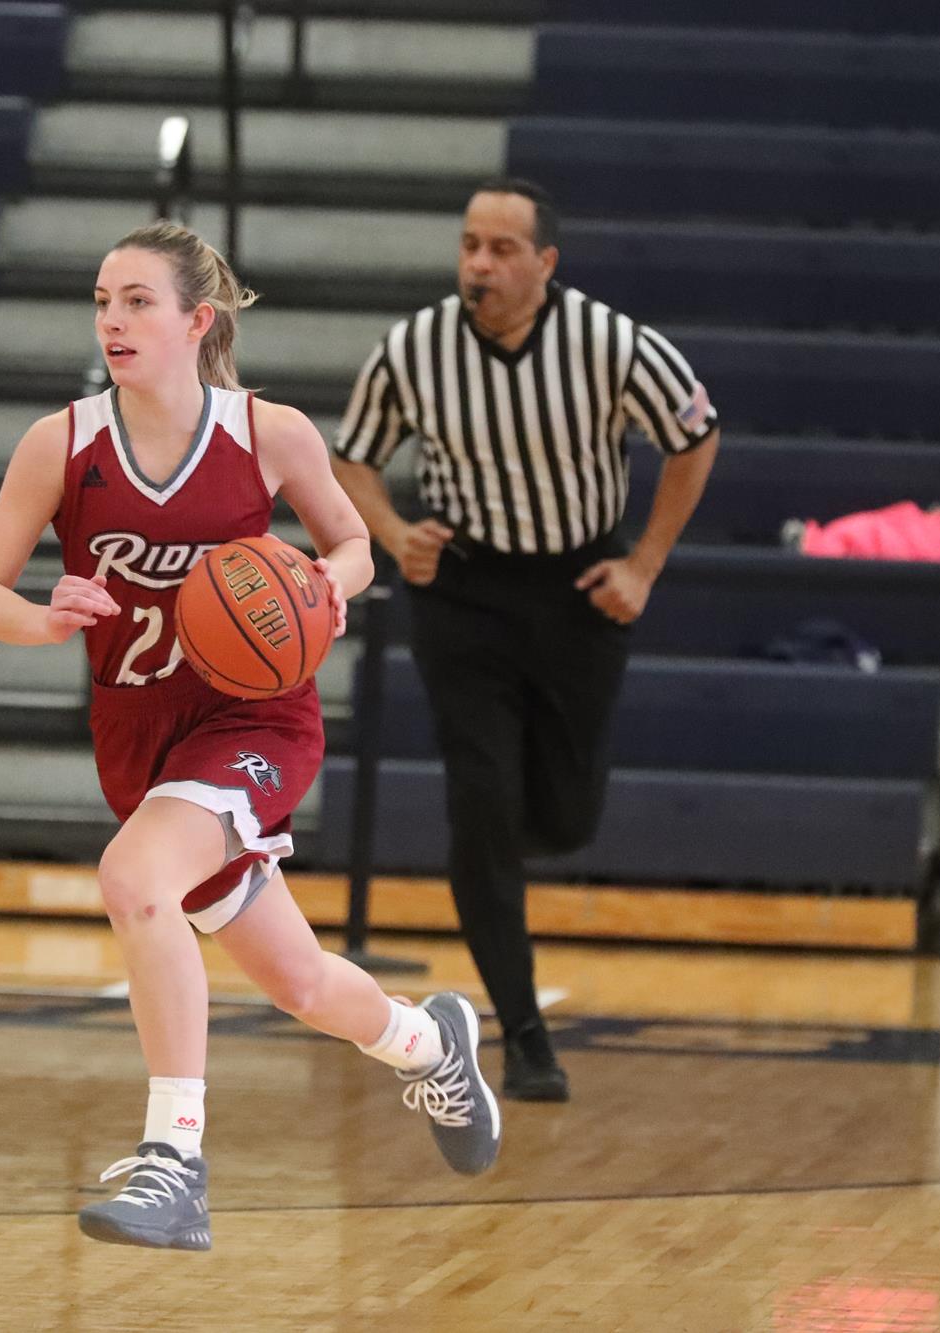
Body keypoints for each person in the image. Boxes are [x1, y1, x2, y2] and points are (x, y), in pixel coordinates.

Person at [0, 220, 500, 1252]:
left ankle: (175, 1162)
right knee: (299, 983)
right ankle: (431, 1044)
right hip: (138, 735)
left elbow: (353, 548)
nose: (112, 319)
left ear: (194, 320)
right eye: (101, 300)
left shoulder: (268, 433)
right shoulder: (61, 444)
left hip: (253, 720)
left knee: (132, 880)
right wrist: (43, 615)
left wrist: (317, 587)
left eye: (136, 301)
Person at [332, 178, 720, 1104]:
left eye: (503, 249)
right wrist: (393, 534)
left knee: (563, 814)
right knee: (482, 801)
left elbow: (696, 435)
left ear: (546, 263)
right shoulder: (414, 348)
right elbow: (350, 455)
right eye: (470, 244)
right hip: (463, 593)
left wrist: (645, 564)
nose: (480, 265)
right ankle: (525, 1035)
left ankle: (515, 874)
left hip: (577, 588)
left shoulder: (610, 342)